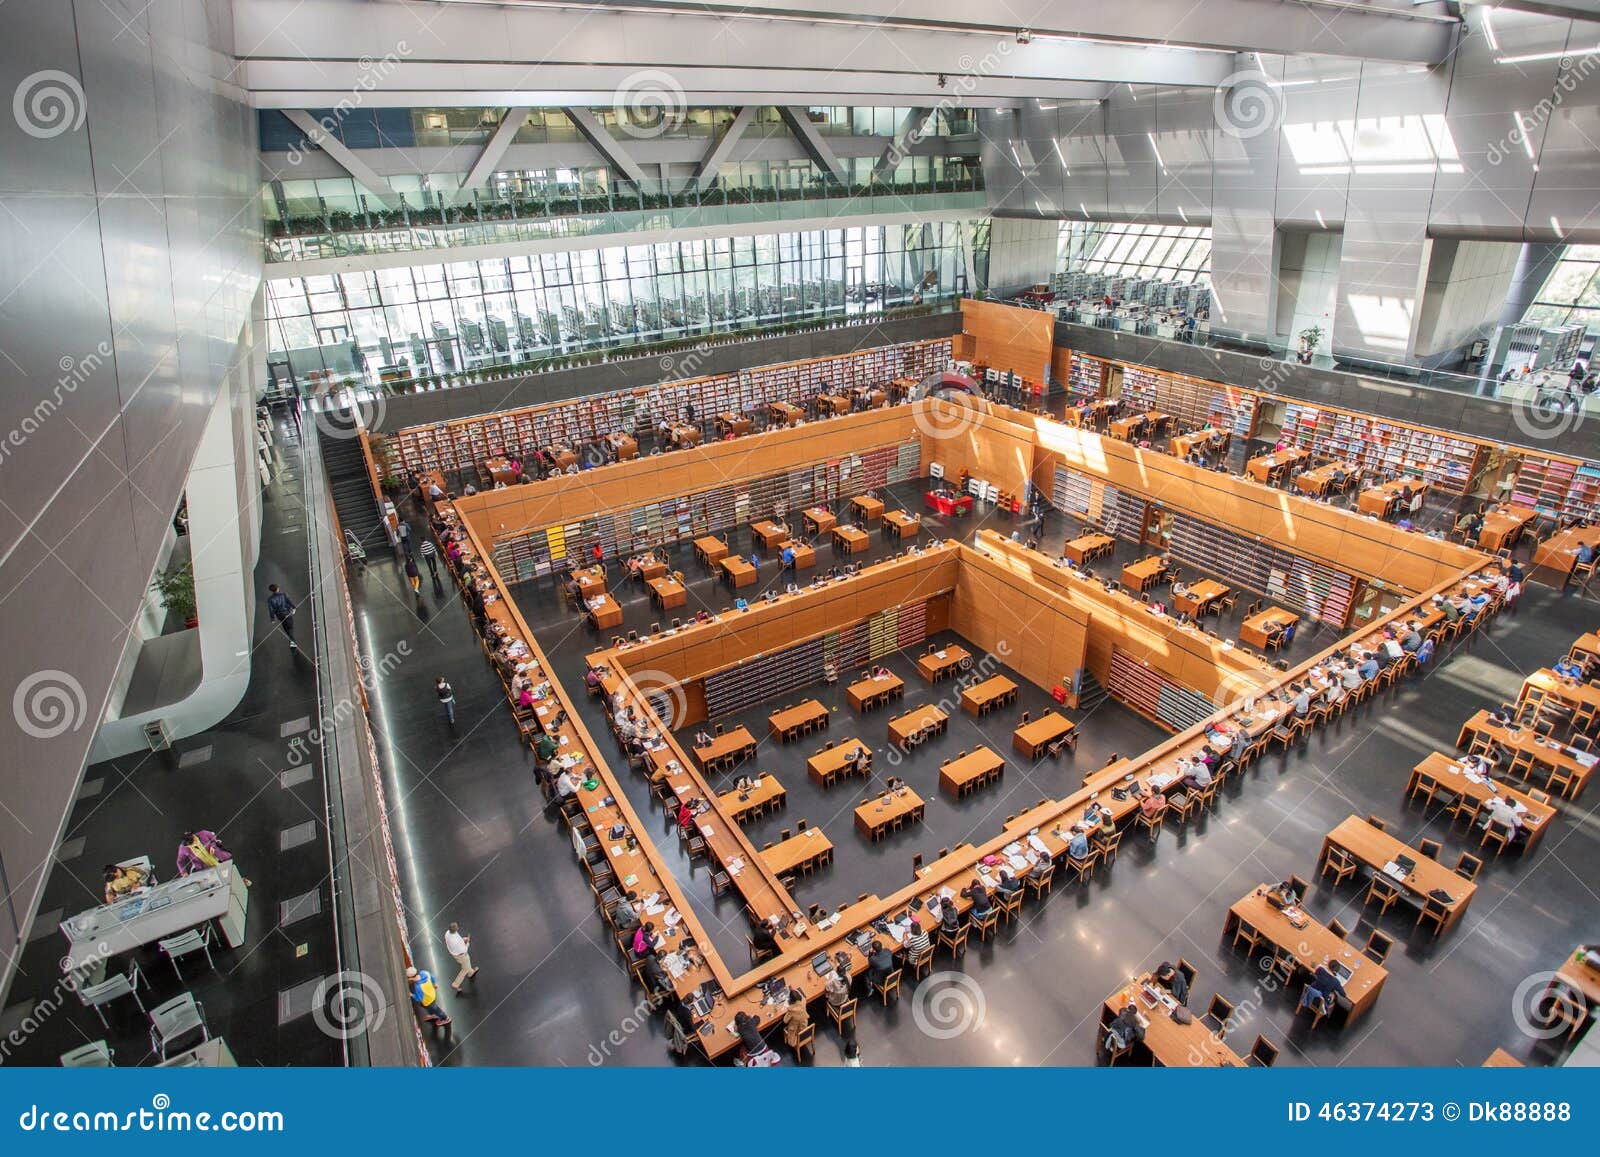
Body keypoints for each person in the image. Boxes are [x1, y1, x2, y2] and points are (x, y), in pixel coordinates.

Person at [443, 922, 479, 993]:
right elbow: (464, 949)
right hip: (461, 955)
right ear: (456, 929)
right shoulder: (456, 943)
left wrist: (464, 939)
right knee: (465, 969)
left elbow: (458, 940)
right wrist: (468, 942)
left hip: (455, 953)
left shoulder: (447, 933)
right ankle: (455, 984)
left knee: (467, 964)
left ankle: (471, 972)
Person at [266, 583, 297, 650]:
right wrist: (294, 607)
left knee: (286, 628)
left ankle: (292, 640)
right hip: (287, 613)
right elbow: (289, 601)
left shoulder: (270, 599)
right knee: (290, 628)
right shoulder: (283, 594)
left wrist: (272, 619)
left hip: (280, 616)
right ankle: (293, 642)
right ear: (277, 588)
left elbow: (271, 610)